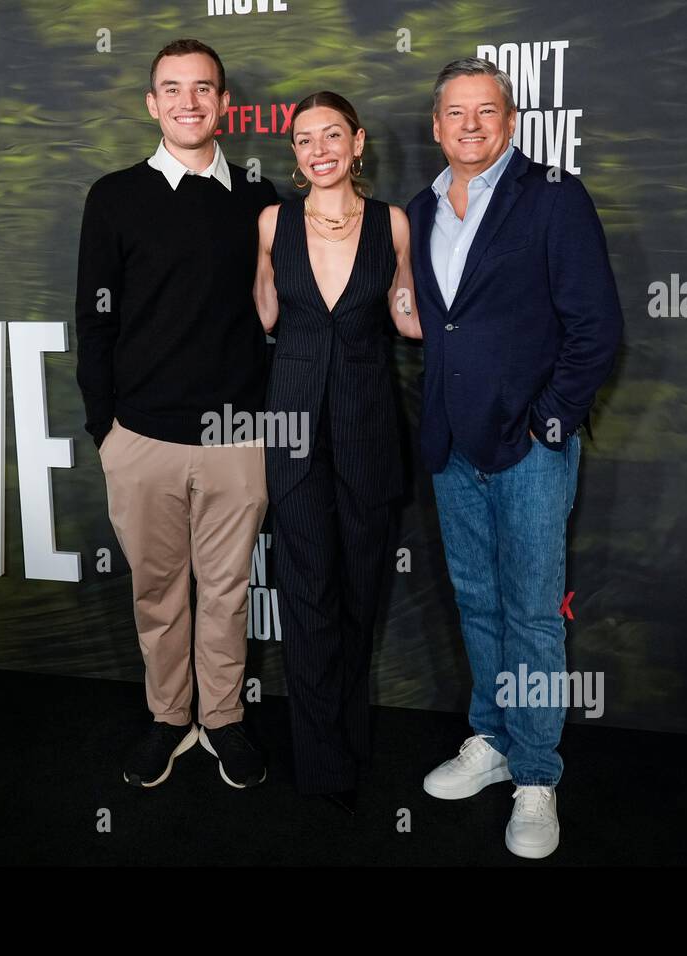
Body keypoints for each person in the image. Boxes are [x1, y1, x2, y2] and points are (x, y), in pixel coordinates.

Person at [406, 58, 622, 857]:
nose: (470, 125)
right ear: (435, 125)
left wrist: (550, 421)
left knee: (532, 614)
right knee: (478, 602)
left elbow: (596, 325)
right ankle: (492, 740)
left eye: (485, 111)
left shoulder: (554, 198)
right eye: (454, 113)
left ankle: (537, 775)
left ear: (512, 119)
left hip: (530, 447)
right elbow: (438, 320)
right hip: (451, 444)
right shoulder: (418, 208)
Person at [75, 38, 278, 790]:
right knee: (157, 593)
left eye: (203, 89)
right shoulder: (114, 196)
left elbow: (281, 318)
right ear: (151, 103)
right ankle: (169, 717)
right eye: (172, 89)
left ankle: (222, 719)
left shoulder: (260, 201)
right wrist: (108, 432)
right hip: (142, 441)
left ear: (223, 102)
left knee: (227, 593)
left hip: (236, 441)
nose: (188, 102)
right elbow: (93, 323)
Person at [253, 91, 422, 814]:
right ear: (294, 156)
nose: (317, 148)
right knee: (307, 592)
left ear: (357, 144)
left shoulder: (394, 223)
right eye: (302, 139)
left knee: (359, 594)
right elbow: (260, 314)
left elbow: (409, 317)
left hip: (368, 431)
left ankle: (349, 737)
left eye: (331, 135)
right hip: (290, 434)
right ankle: (323, 760)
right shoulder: (270, 223)